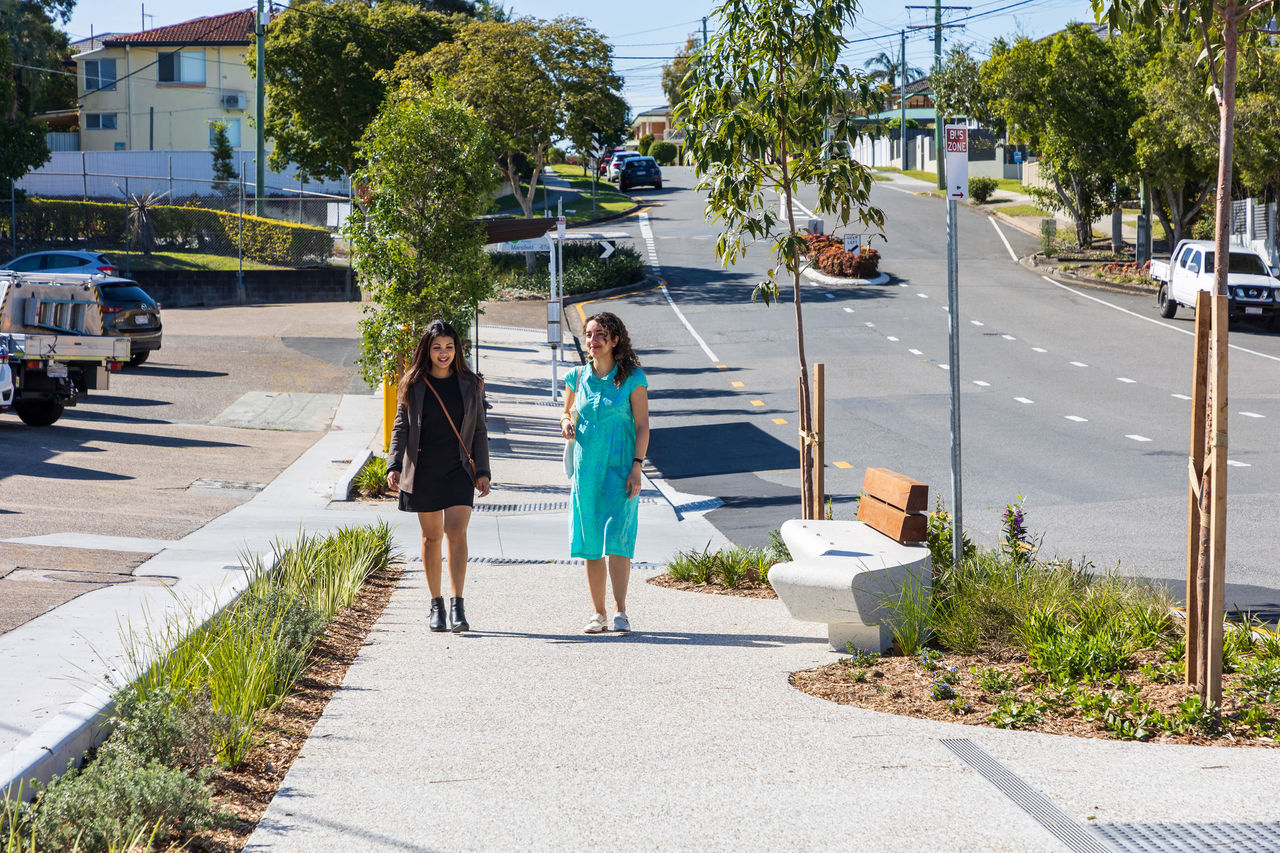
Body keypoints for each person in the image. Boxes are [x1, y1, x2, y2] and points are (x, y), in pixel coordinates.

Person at [387, 320, 491, 633]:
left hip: (458, 469)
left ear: (457, 349)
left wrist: (483, 470)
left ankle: (458, 605)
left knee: (456, 533)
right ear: (427, 350)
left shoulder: (471, 384)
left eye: (449, 347)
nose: (443, 353)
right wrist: (393, 464)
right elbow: (401, 427)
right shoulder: (413, 383)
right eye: (437, 347)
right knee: (431, 538)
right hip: (424, 470)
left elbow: (480, 430)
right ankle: (436, 605)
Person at [560, 312, 649, 634]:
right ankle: (598, 614)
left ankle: (620, 611)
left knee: (619, 538)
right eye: (589, 335)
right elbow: (567, 411)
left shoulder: (634, 379)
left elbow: (642, 426)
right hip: (587, 471)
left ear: (615, 340)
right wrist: (566, 422)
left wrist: (637, 467)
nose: (592, 341)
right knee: (591, 539)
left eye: (600, 335)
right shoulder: (576, 376)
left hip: (622, 468)